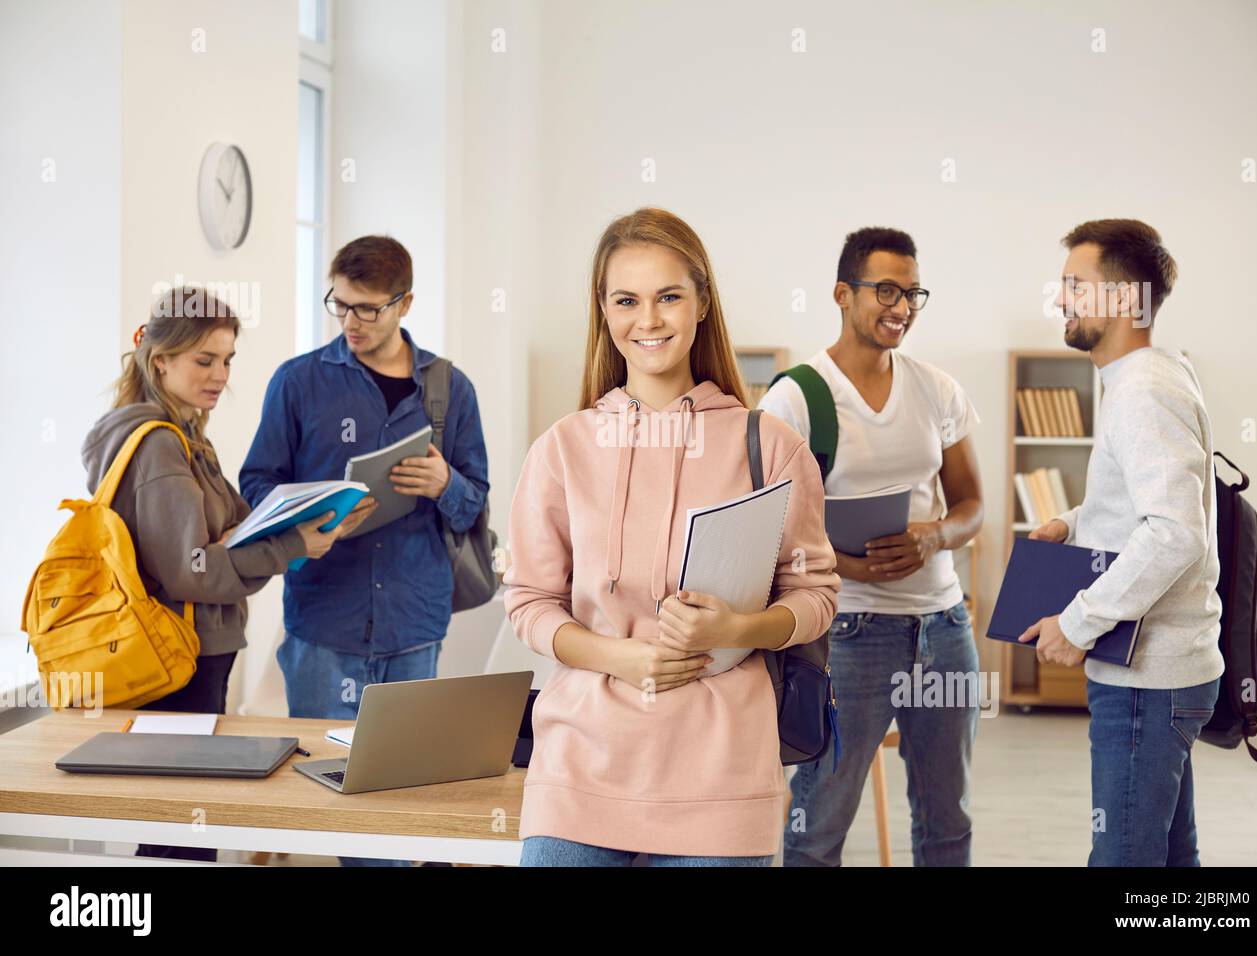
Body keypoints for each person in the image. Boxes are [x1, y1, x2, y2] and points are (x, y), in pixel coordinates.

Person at [503, 207, 839, 866]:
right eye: (626, 300)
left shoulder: (769, 446)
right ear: (603, 310)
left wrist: (736, 630)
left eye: (669, 297)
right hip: (578, 770)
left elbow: (816, 596)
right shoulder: (562, 448)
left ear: (702, 304)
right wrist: (617, 656)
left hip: (721, 778)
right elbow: (528, 603)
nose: (648, 319)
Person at [82, 287, 361, 862]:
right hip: (180, 660)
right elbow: (193, 571)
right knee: (182, 833)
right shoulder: (160, 446)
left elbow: (225, 537)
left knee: (185, 827)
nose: (220, 375)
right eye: (204, 361)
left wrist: (285, 530)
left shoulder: (188, 437)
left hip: (195, 656)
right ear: (161, 361)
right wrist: (289, 545)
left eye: (228, 360)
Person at [239, 235, 489, 867]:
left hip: (414, 624)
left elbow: (477, 500)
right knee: (332, 801)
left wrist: (445, 484)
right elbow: (257, 486)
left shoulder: (450, 389)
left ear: (405, 303)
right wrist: (316, 519)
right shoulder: (297, 383)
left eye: (367, 309)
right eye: (340, 305)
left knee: (399, 802)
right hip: (325, 624)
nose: (350, 321)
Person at [761, 226, 984, 867]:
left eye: (913, 293)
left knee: (948, 818)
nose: (902, 307)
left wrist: (935, 535)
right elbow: (771, 528)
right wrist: (851, 563)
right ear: (842, 293)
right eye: (886, 289)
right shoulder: (797, 397)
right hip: (849, 631)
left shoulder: (937, 389)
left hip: (942, 626)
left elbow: (972, 504)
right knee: (820, 820)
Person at [1024, 219, 1223, 867]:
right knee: (1167, 859)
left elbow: (1174, 532)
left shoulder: (1140, 390)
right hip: (1159, 672)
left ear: (1122, 300)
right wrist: (1075, 524)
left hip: (1146, 678)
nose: (1060, 300)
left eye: (1074, 286)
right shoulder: (1153, 375)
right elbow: (1155, 504)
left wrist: (1078, 622)